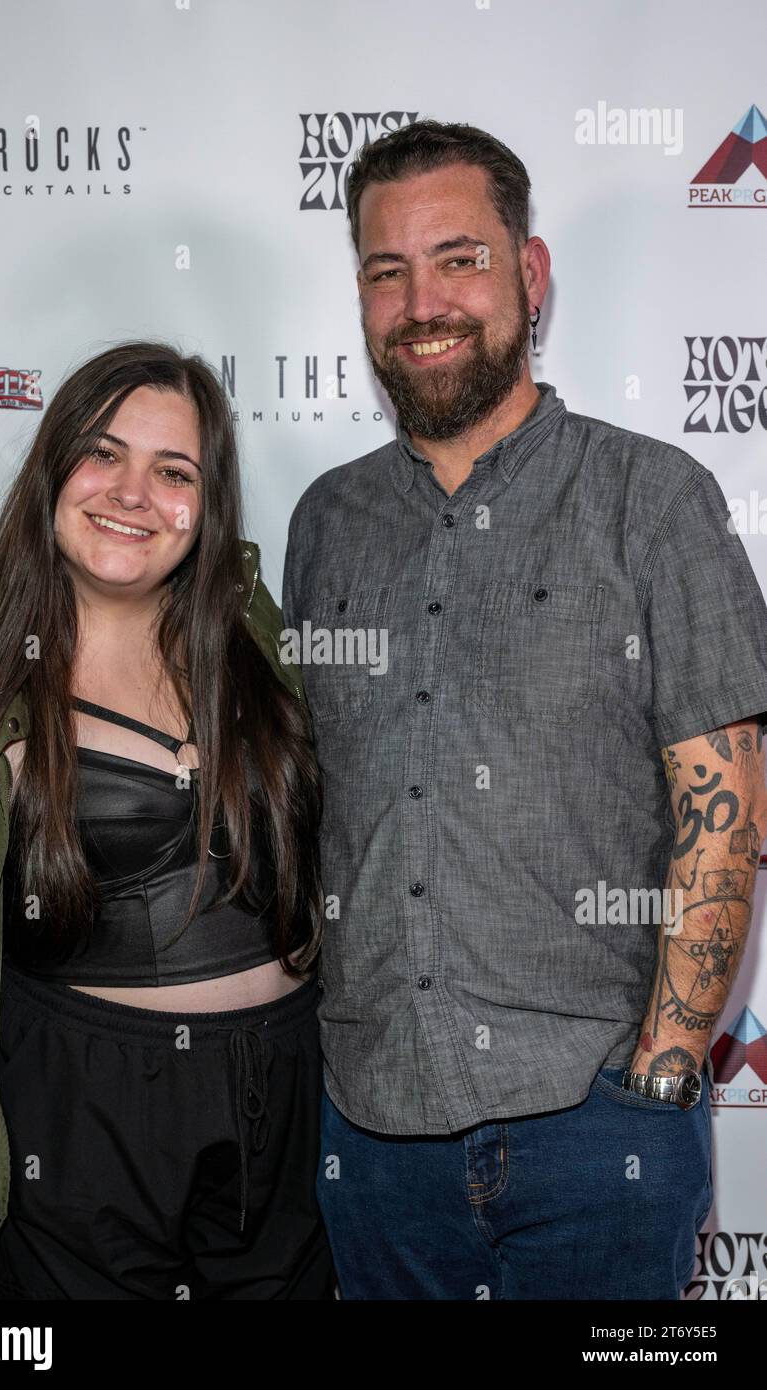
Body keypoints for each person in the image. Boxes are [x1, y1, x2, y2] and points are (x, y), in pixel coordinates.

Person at [281, 120, 767, 1300]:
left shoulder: (651, 499)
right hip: (370, 1131)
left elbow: (725, 805)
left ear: (529, 275)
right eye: (385, 271)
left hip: (592, 1134)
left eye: (458, 258)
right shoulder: (323, 522)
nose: (421, 302)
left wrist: (661, 1074)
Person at [0, 340, 336, 1300]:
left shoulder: (254, 636)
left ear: (206, 505)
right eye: (104, 454)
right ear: (54, 466)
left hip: (286, 1103)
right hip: (79, 1117)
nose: (133, 492)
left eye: (173, 470)